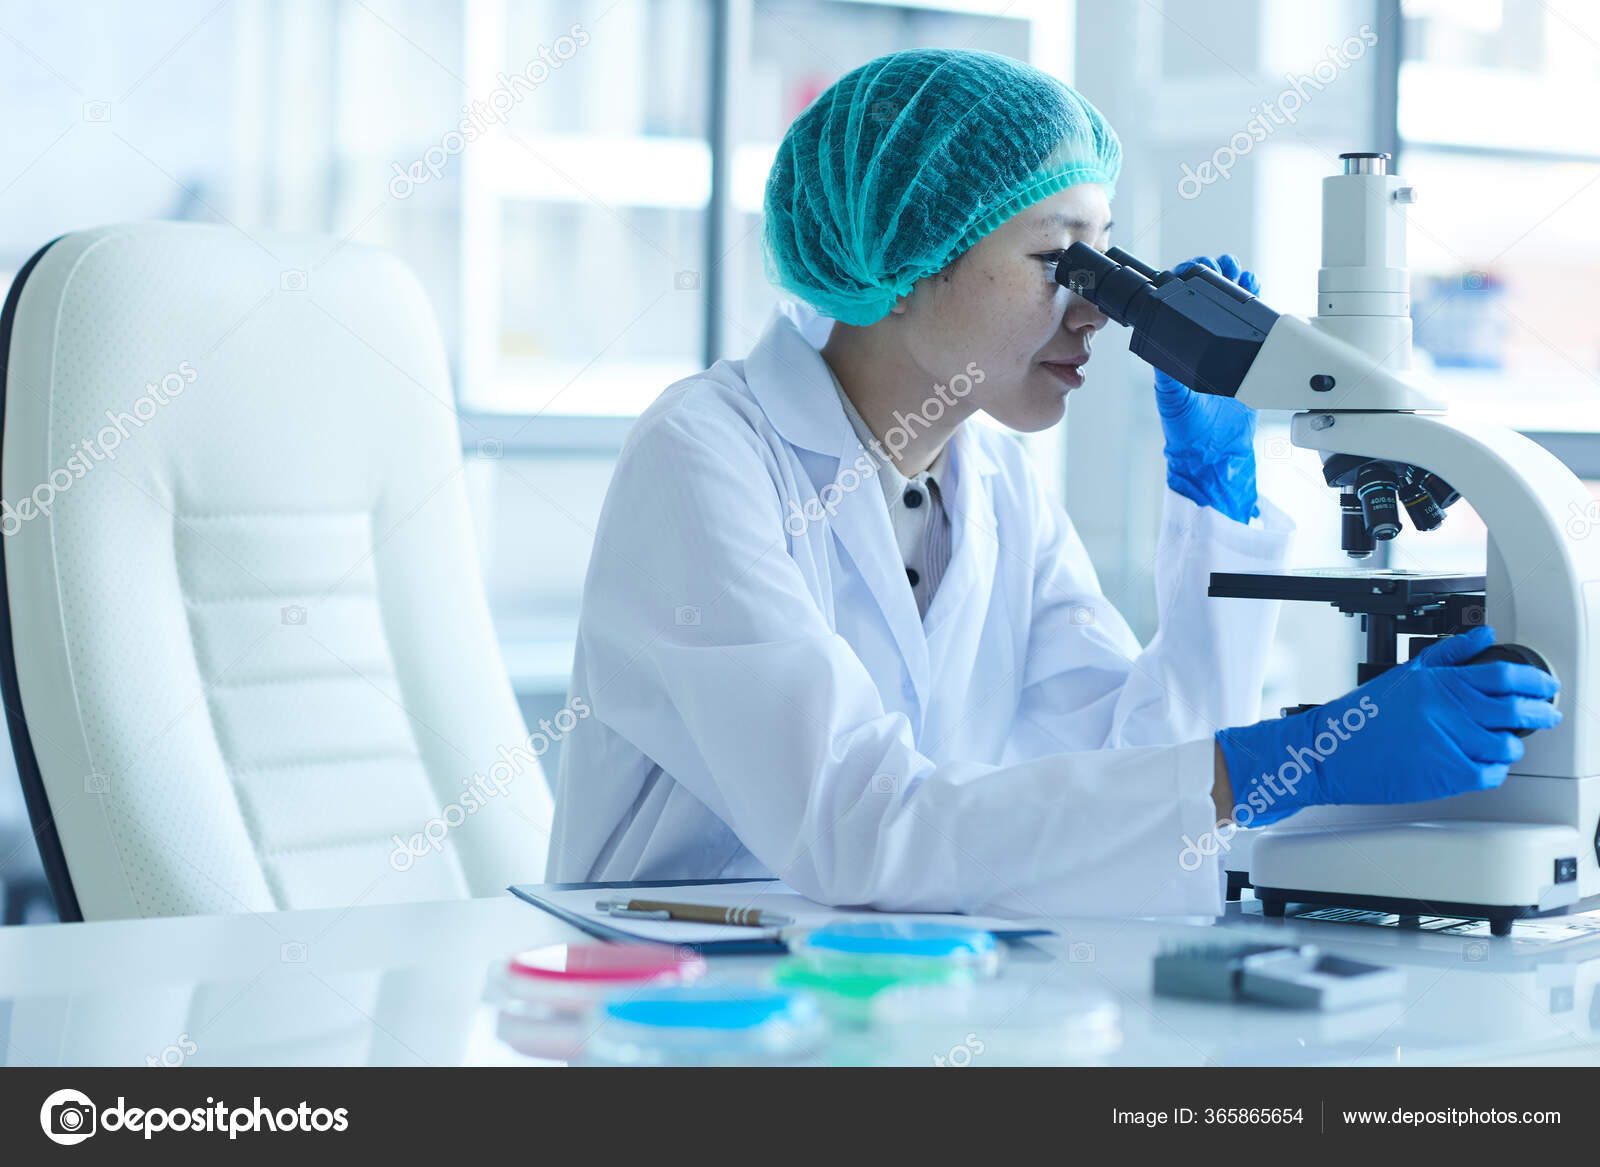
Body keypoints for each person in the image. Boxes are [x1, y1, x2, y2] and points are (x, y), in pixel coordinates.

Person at [546, 48, 1559, 917]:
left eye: (1106, 262)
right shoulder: (704, 454)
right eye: (1058, 261)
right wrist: (1282, 761)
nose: (1098, 311)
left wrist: (1215, 496)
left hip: (882, 990)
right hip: (673, 997)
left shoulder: (992, 482)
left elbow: (1139, 759)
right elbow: (860, 830)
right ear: (904, 254)